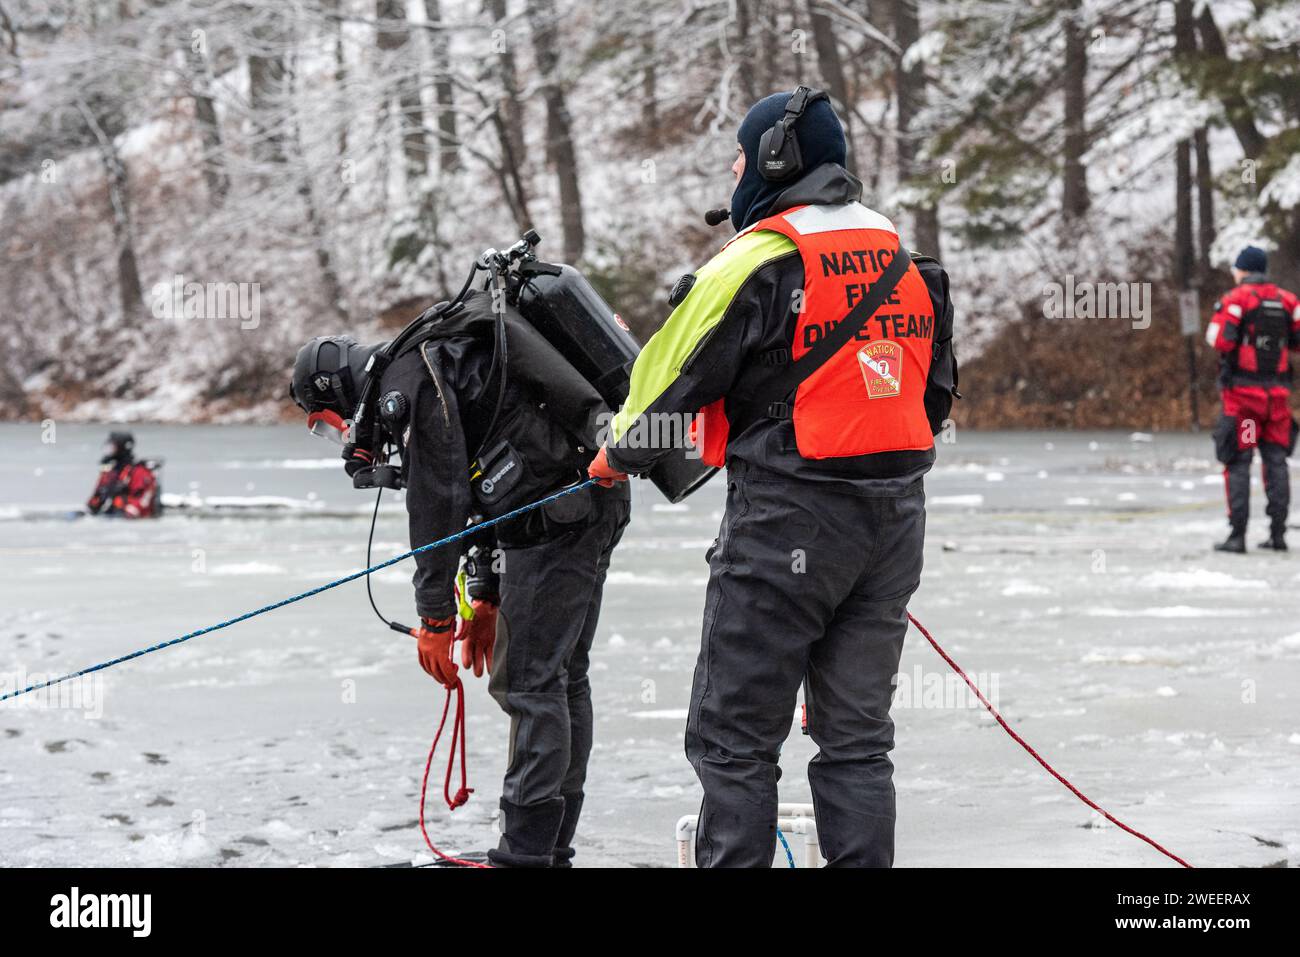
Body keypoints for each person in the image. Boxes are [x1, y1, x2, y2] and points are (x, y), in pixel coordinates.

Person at [589, 87, 958, 867]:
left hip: (786, 526)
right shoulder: (908, 260)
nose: (732, 170)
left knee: (733, 737)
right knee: (857, 739)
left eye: (738, 154)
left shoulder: (756, 260)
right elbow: (935, 397)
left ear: (773, 161)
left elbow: (664, 384)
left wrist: (615, 455)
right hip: (893, 529)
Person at [290, 289, 629, 868]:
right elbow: (490, 474)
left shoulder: (407, 380)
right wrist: (487, 595)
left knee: (527, 684)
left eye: (328, 426)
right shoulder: (430, 356)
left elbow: (440, 497)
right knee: (561, 679)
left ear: (336, 392)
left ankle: (525, 854)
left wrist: (435, 618)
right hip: (587, 503)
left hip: (555, 521)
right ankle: (547, 848)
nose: (344, 436)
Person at [1206, 245, 1300, 553]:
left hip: (1246, 407)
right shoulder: (1288, 301)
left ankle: (1238, 535)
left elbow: (1218, 339)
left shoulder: (1236, 300)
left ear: (1244, 270)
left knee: (1239, 461)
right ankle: (1278, 534)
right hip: (1277, 404)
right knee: (1276, 462)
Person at [86, 431, 162, 518]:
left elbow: (143, 499)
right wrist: (91, 507)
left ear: (122, 448)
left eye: (114, 447)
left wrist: (129, 511)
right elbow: (98, 494)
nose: (111, 450)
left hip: (127, 516)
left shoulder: (139, 471)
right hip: (110, 514)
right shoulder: (110, 472)